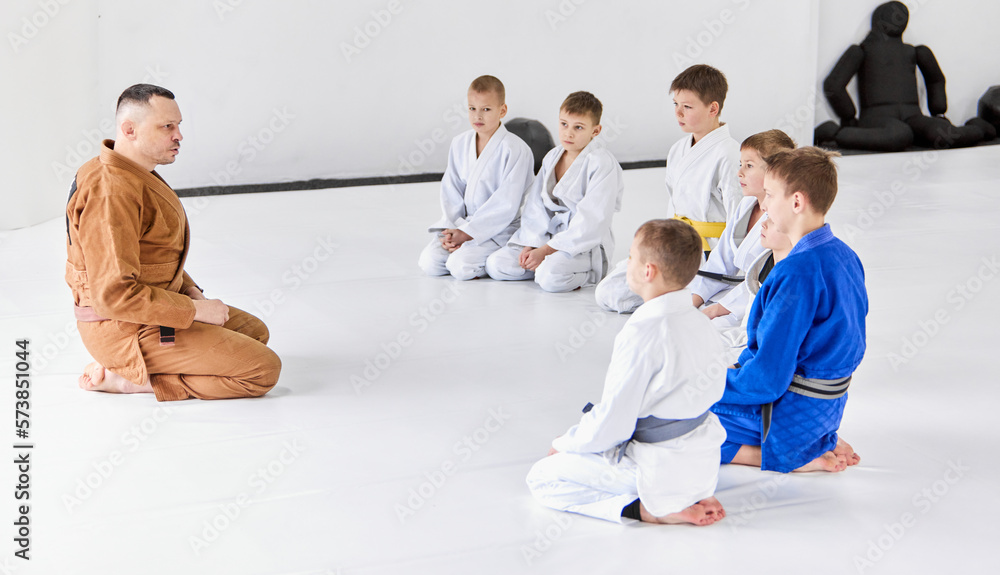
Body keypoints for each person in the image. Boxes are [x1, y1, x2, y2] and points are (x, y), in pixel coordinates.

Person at [66, 84, 281, 401]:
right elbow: (113, 296)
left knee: (255, 333)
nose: (179, 135)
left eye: (178, 125)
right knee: (262, 371)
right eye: (167, 126)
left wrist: (191, 290)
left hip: (156, 304)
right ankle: (131, 380)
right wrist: (195, 311)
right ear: (130, 130)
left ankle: (146, 368)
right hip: (124, 328)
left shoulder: (135, 173)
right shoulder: (111, 191)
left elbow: (154, 255)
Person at [526, 219, 727, 525]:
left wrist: (566, 442)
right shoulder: (701, 322)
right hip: (703, 466)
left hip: (656, 472)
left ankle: (648, 511)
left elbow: (614, 424)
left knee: (541, 477)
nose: (628, 262)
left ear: (648, 271)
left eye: (631, 257)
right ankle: (685, 495)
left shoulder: (644, 333)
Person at [711, 147, 867, 472]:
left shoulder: (796, 272)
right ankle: (819, 439)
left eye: (769, 195)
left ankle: (794, 455)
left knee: (664, 413)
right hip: (825, 408)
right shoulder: (845, 255)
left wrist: (709, 384)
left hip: (788, 412)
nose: (763, 204)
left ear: (796, 202)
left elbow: (768, 380)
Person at [596, 64, 740, 313]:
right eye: (675, 104)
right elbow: (673, 206)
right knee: (609, 291)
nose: (678, 113)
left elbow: (739, 218)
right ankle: (674, 294)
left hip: (710, 255)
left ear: (713, 108)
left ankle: (702, 294)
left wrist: (725, 267)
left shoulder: (729, 153)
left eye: (687, 106)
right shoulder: (678, 150)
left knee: (633, 297)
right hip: (677, 244)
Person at [485, 91, 624, 292]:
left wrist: (546, 251)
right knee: (497, 264)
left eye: (578, 127)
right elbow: (535, 205)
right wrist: (532, 244)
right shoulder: (552, 156)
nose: (568, 133)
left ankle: (587, 273)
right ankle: (545, 265)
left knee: (549, 278)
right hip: (546, 237)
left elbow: (592, 221)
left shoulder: (602, 163)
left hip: (582, 245)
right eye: (564, 124)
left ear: (596, 130)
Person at [418, 75, 534, 280]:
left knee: (459, 266)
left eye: (486, 109)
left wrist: (470, 233)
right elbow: (451, 189)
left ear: (502, 110)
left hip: (499, 229)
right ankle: (466, 248)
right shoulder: (459, 143)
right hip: (462, 225)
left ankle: (495, 258)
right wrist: (452, 231)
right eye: (472, 108)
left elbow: (506, 203)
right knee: (430, 262)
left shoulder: (516, 149)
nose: (477, 116)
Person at [691, 130, 796, 327]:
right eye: (740, 165)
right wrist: (695, 299)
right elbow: (721, 261)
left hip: (759, 300)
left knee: (703, 332)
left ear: (774, 171)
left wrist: (716, 309)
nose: (739, 173)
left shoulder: (783, 220)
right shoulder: (746, 204)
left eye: (749, 166)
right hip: (734, 292)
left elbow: (765, 281)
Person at [718, 218, 792, 364]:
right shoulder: (763, 265)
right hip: (744, 338)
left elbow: (764, 342)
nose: (762, 224)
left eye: (773, 221)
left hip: (757, 354)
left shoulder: (793, 282)